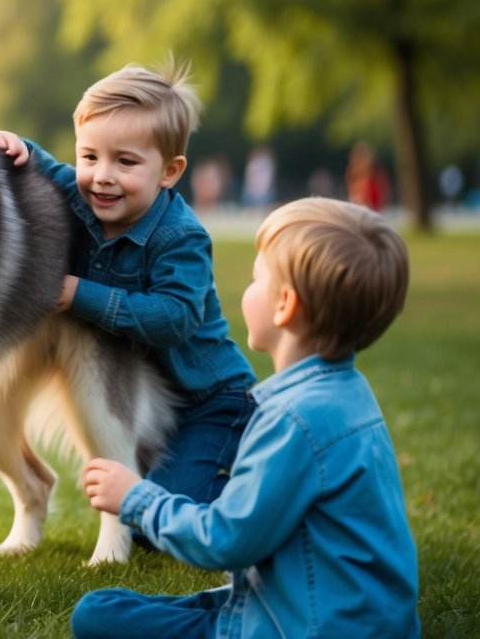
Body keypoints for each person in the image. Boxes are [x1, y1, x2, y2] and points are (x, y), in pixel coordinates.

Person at [72, 197, 419, 638]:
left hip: (302, 628)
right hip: (356, 618)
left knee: (97, 614)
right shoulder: (351, 395)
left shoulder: (292, 420)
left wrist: (137, 497)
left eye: (256, 279)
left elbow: (226, 540)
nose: (245, 290)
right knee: (128, 606)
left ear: (285, 306)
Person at [0, 60, 256, 508]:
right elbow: (46, 169)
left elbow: (174, 317)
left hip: (206, 402)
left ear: (169, 172)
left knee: (164, 508)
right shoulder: (85, 192)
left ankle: (253, 503)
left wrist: (78, 294)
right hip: (142, 394)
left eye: (125, 162)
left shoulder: (180, 236)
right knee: (139, 505)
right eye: (89, 156)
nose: (102, 175)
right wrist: (18, 147)